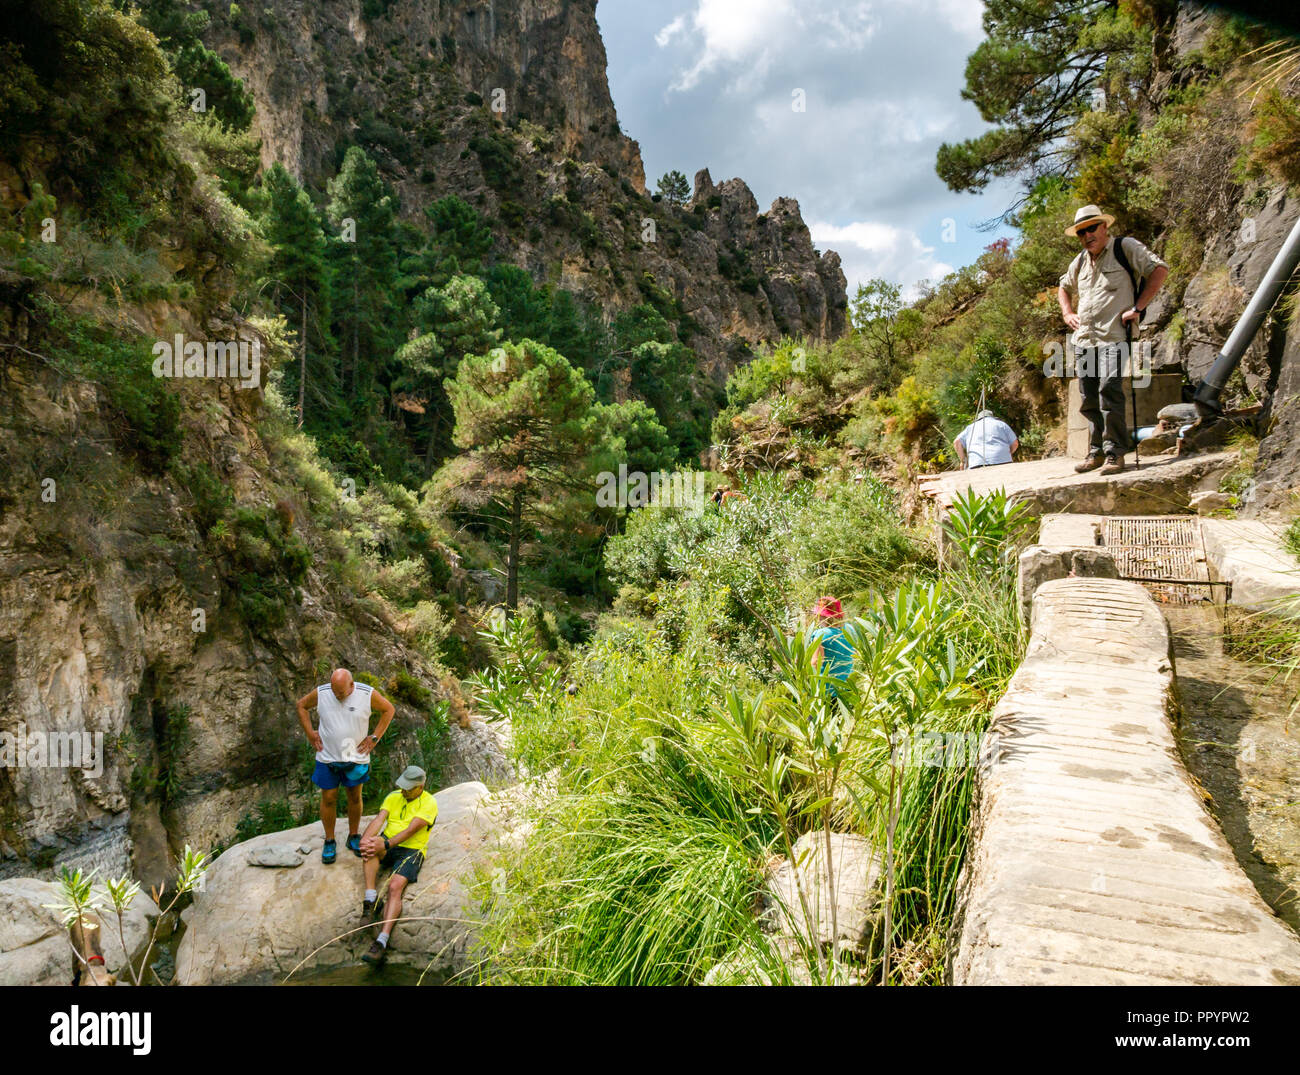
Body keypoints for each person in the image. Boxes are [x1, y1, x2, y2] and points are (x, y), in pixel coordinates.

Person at [1057, 204, 1168, 477]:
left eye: (1092, 228)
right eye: (1082, 232)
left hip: (1114, 336)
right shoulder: (1080, 261)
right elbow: (1063, 286)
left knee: (1110, 391)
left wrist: (1138, 308)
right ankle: (1095, 451)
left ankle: (1115, 452)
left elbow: (1159, 270)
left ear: (1104, 227)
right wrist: (1067, 312)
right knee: (1088, 398)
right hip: (1085, 340)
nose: (1087, 235)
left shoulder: (1124, 247)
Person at [295, 668, 396, 864]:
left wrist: (375, 737)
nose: (337, 695)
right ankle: (330, 840)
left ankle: (353, 836)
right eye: (334, 691)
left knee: (354, 797)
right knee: (329, 798)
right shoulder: (323, 692)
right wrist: (309, 733)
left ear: (352, 685)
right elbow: (301, 706)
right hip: (327, 756)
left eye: (340, 692)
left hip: (355, 757)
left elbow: (388, 709)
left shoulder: (366, 694)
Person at [359, 765, 439, 966]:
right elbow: (379, 819)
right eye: (403, 786)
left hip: (412, 849)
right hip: (388, 842)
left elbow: (411, 831)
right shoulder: (394, 796)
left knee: (395, 887)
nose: (403, 791)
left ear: (420, 786)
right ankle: (370, 901)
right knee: (369, 850)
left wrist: (385, 843)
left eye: (409, 788)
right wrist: (367, 839)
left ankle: (382, 941)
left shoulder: (429, 803)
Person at [808, 596, 853, 699]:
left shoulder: (820, 634)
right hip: (848, 687)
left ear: (823, 616)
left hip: (827, 691)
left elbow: (815, 663)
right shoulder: (850, 629)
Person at [953, 409, 1019, 469]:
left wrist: (963, 461)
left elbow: (957, 442)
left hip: (977, 463)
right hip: (1003, 461)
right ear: (992, 417)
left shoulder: (970, 428)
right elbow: (1015, 443)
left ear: (979, 418)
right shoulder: (1001, 424)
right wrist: (1006, 453)